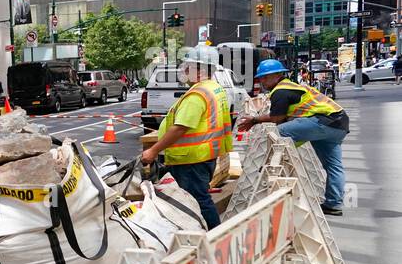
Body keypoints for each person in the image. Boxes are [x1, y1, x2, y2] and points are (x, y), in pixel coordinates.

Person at [238, 59, 349, 215]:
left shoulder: (280, 92)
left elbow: (277, 119)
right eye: (260, 77)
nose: (262, 81)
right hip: (340, 123)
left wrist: (254, 120)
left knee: (275, 134)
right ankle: (334, 204)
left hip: (323, 122)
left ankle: (264, 168)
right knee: (333, 166)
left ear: (278, 75)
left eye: (265, 77)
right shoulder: (291, 86)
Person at [139, 55, 232, 228]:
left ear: (202, 71)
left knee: (197, 201)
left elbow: (180, 127)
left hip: (191, 159)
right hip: (204, 154)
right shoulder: (214, 88)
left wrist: (153, 151)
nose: (183, 72)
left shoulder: (197, 95)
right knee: (199, 199)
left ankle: (213, 238)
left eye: (188, 69)